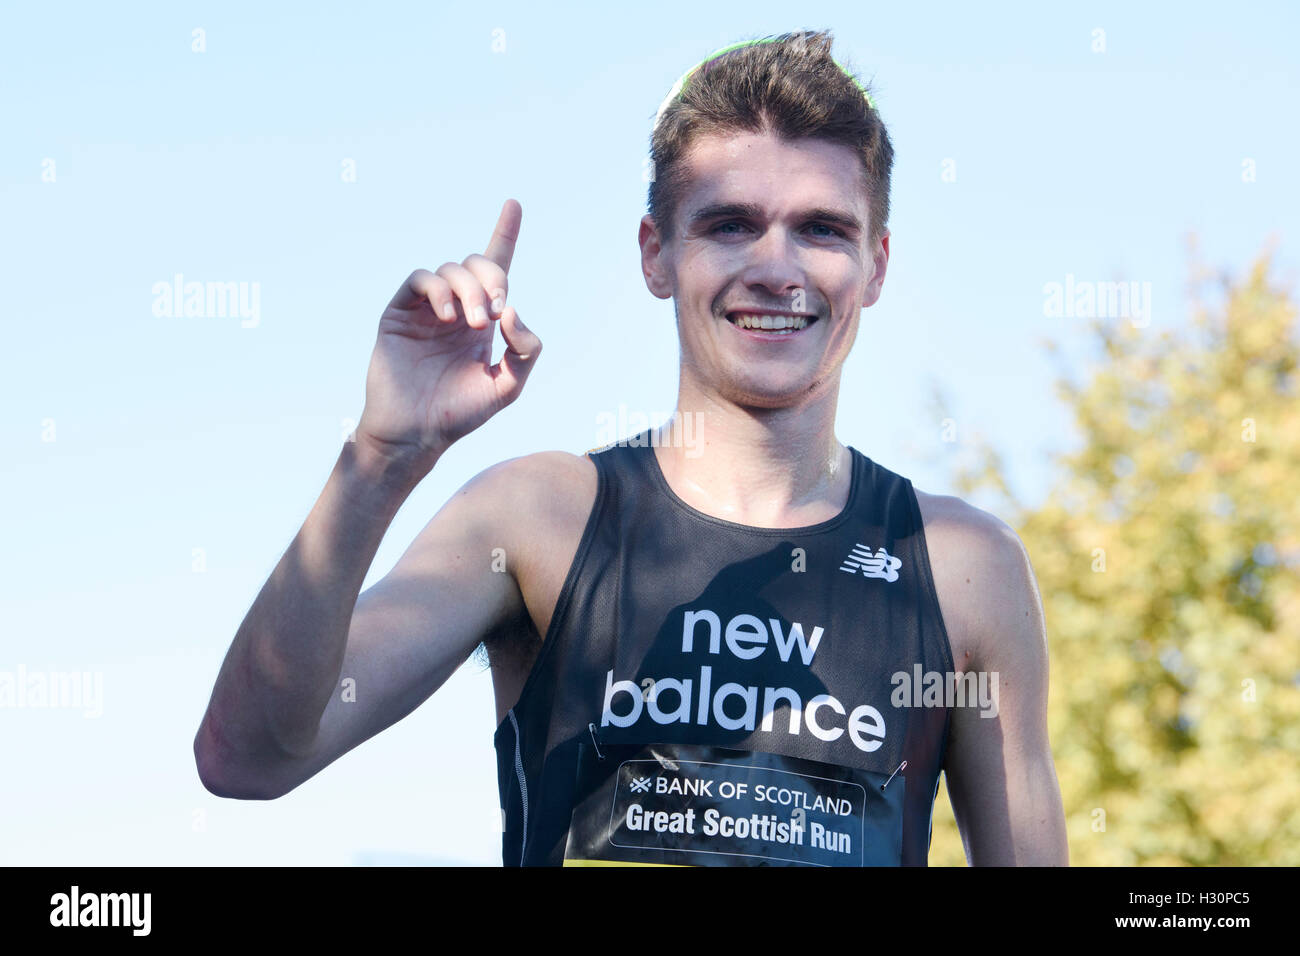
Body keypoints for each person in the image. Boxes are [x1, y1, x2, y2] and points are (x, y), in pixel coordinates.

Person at [193, 29, 1068, 867]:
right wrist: (383, 455)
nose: (777, 266)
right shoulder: (541, 518)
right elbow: (247, 759)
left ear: (874, 266)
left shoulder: (962, 568)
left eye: (822, 229)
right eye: (731, 225)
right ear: (657, 255)